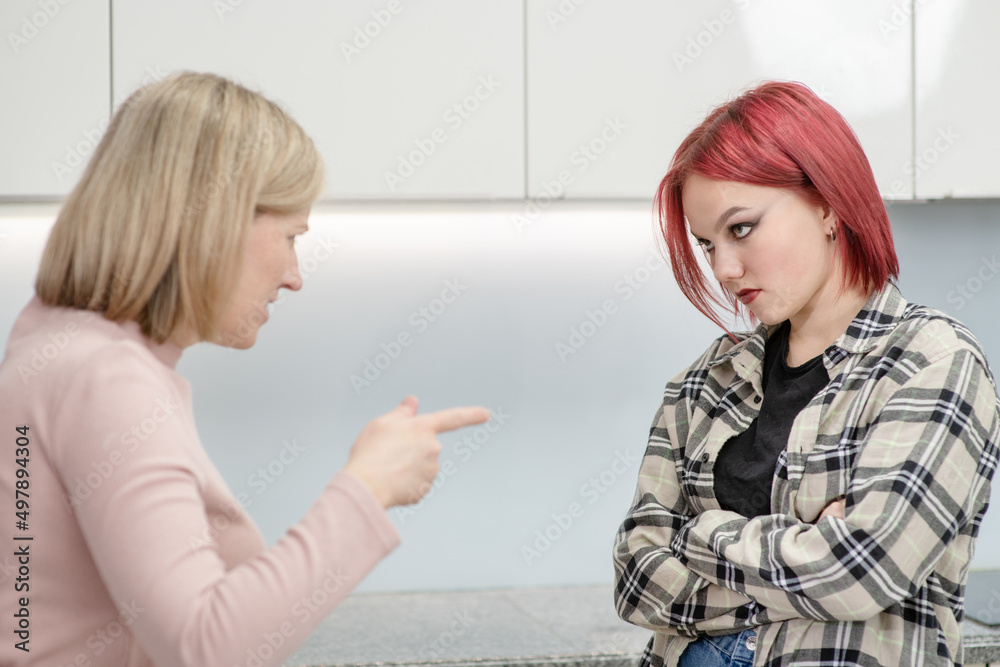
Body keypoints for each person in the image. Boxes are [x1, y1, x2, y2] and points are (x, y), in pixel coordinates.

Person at [0, 71, 490, 666]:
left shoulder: (52, 344)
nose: (295, 274)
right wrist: (368, 489)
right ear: (216, 221)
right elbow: (205, 648)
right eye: (290, 236)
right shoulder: (108, 380)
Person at [612, 80, 1000, 667]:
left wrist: (700, 535)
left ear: (826, 203)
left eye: (741, 228)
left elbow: (861, 574)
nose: (724, 267)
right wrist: (805, 548)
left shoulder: (932, 363)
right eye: (707, 243)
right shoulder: (706, 380)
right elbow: (636, 578)